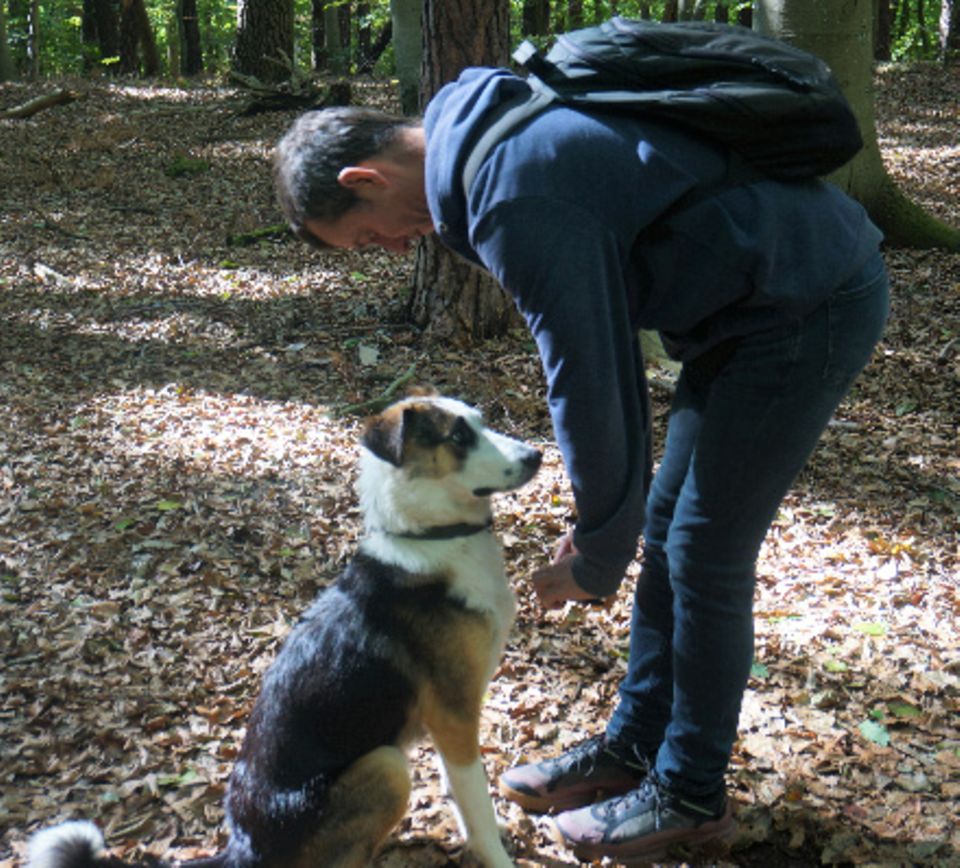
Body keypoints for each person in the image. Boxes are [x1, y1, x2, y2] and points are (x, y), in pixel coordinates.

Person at [272, 61, 889, 863]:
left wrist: (599, 552)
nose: (391, 245)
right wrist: (618, 527)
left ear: (366, 176)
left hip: (805, 299)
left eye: (369, 232)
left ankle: (691, 791)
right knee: (672, 529)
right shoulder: (472, 121)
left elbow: (592, 377)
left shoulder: (510, 196)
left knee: (704, 551)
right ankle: (637, 745)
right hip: (742, 305)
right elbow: (609, 358)